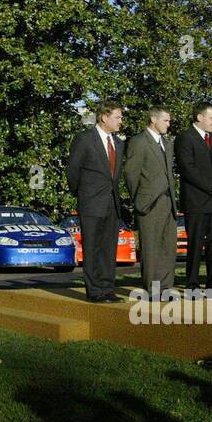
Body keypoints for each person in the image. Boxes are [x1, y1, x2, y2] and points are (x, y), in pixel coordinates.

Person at [66, 102, 126, 303]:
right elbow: (72, 171)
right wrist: (83, 194)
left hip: (112, 204)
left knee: (109, 249)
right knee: (92, 248)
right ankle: (95, 291)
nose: (121, 121)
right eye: (117, 117)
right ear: (104, 117)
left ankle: (108, 289)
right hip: (91, 203)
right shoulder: (84, 139)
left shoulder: (119, 143)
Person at [121, 107, 178, 299]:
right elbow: (131, 173)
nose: (168, 124)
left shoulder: (167, 143)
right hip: (148, 203)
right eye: (165, 120)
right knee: (151, 248)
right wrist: (139, 199)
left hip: (168, 201)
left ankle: (166, 288)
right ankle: (153, 290)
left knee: (168, 247)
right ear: (153, 119)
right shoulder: (138, 141)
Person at [173, 102, 212, 291]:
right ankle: (193, 285)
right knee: (195, 246)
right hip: (196, 202)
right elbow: (187, 169)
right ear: (199, 117)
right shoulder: (185, 138)